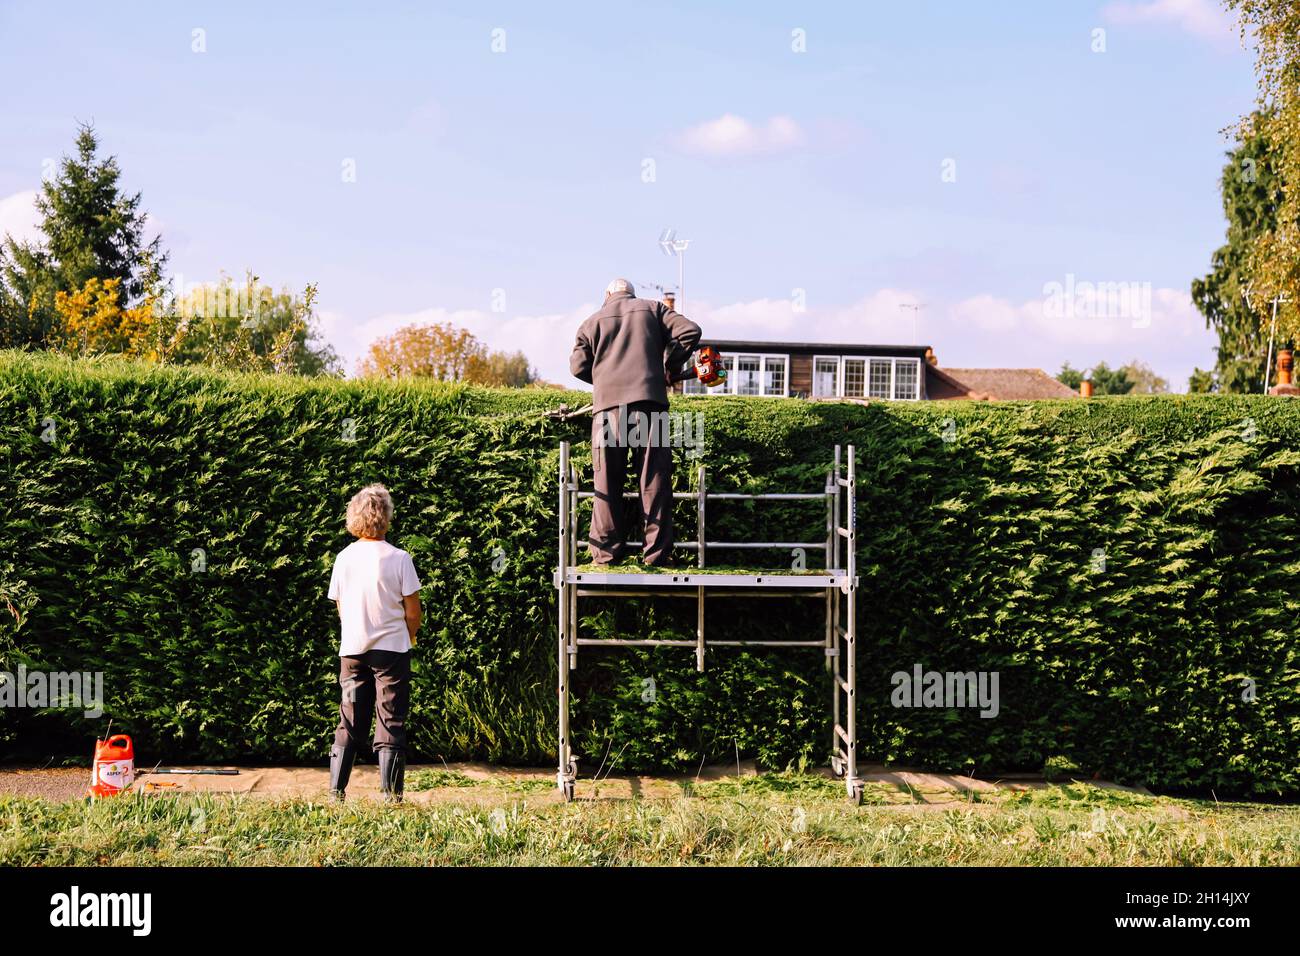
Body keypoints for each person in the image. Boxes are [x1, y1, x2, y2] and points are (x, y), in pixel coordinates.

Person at [569, 278, 701, 567]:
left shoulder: (591, 322)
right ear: (632, 294)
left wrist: (605, 380)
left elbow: (577, 366)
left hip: (608, 412)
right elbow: (691, 332)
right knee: (654, 481)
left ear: (607, 296)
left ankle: (605, 555)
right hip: (651, 406)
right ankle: (656, 556)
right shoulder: (653, 309)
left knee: (607, 482)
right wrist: (670, 365)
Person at [326, 483, 421, 802]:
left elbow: (340, 606)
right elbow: (413, 611)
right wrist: (409, 638)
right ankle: (391, 798)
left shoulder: (343, 558)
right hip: (391, 654)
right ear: (386, 517)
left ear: (354, 517)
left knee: (350, 716)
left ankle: (336, 793)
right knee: (391, 717)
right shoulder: (399, 558)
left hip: (352, 653)